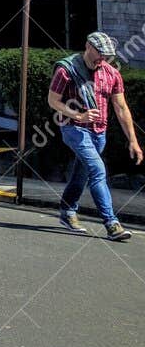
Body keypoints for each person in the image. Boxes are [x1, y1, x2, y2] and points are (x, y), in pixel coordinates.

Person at [49, 31, 139, 240]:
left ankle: (67, 211)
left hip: (99, 131)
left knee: (82, 173)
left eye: (108, 55)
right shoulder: (67, 70)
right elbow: (53, 101)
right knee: (98, 171)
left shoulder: (111, 73)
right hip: (73, 128)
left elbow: (121, 108)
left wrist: (133, 140)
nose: (104, 59)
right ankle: (111, 223)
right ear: (88, 46)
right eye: (100, 53)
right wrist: (79, 115)